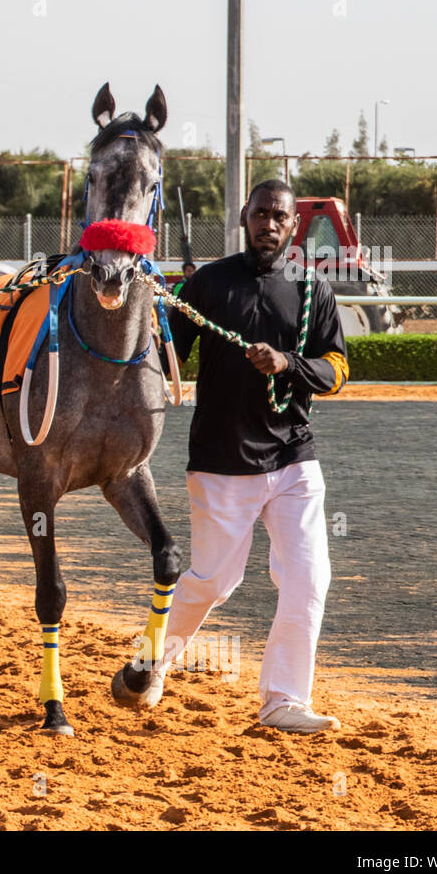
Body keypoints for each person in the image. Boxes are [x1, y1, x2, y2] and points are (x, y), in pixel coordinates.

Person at [144, 179, 349, 733]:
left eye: (280, 216)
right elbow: (164, 359)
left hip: (294, 459)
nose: (269, 224)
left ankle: (283, 701)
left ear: (292, 226)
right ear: (244, 216)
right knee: (214, 582)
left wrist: (288, 364)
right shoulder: (208, 282)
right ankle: (151, 662)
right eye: (261, 214)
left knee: (310, 578)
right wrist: (160, 301)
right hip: (220, 460)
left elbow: (336, 370)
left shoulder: (313, 289)